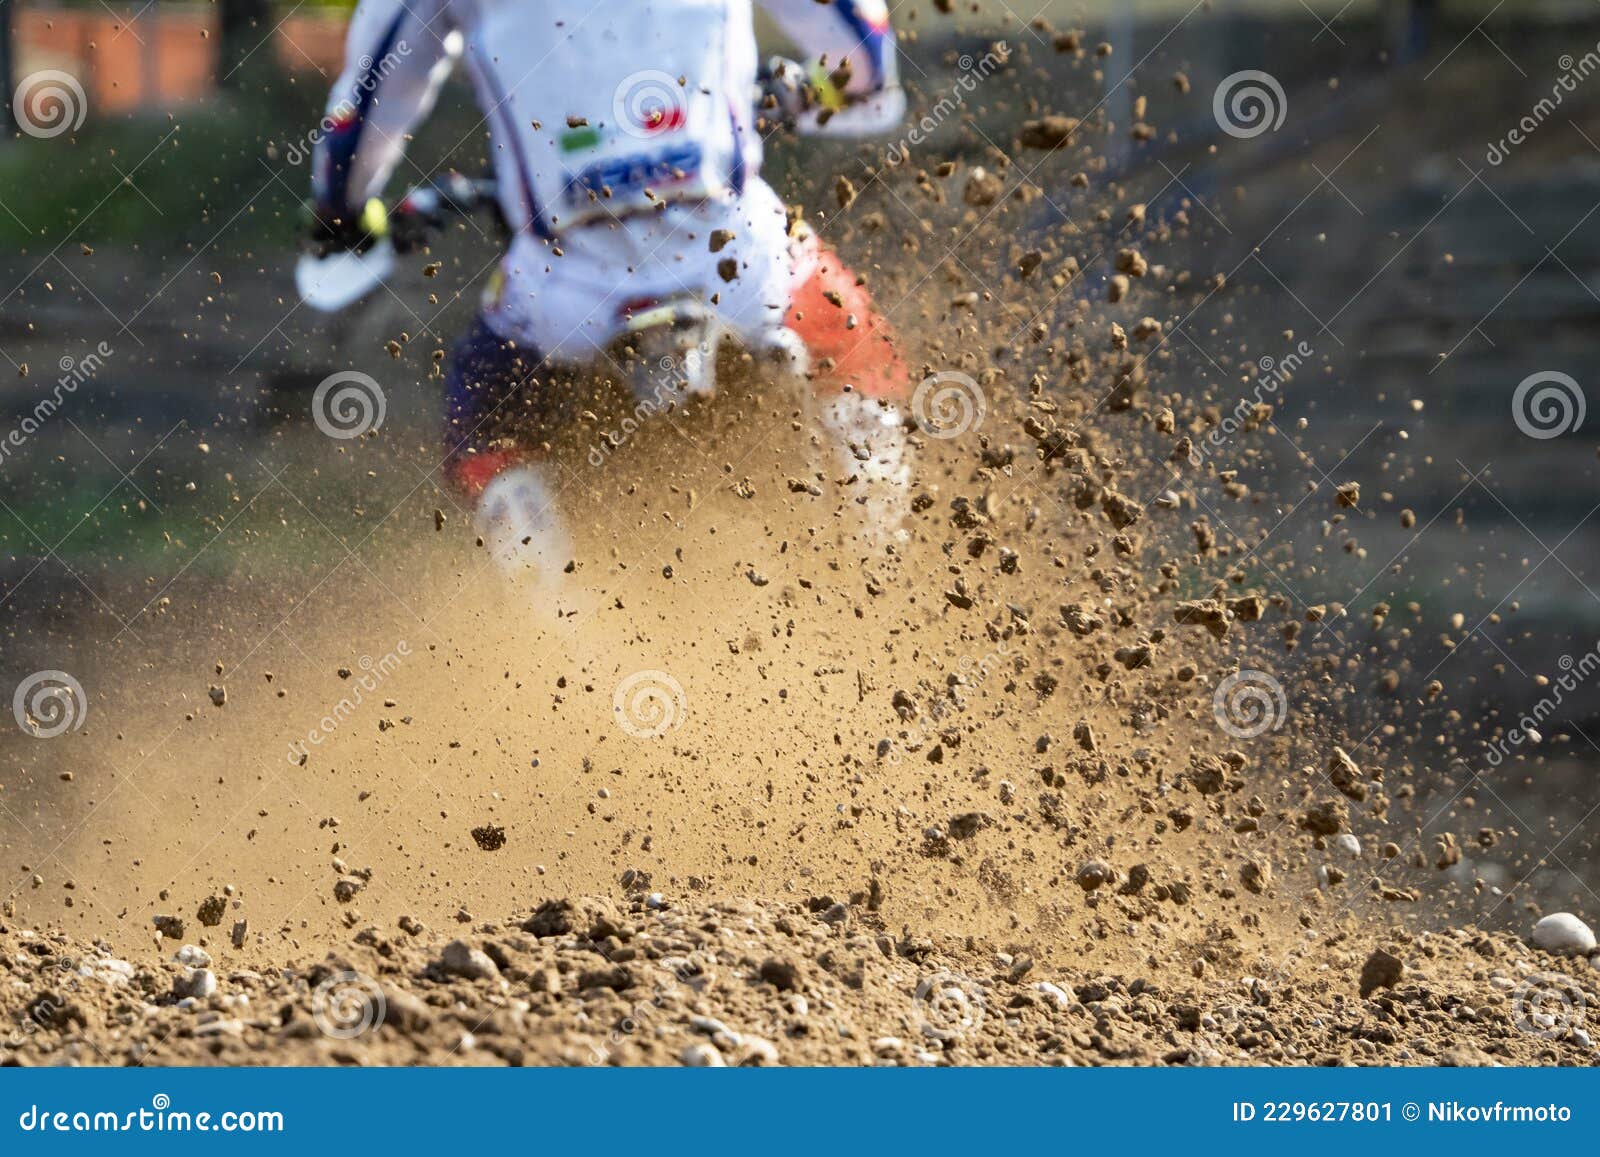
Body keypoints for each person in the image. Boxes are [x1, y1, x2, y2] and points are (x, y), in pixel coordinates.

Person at [308, 0, 912, 581]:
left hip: (566, 286)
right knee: (861, 354)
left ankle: (554, 626)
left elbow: (365, 107)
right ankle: (884, 570)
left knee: (483, 431)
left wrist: (343, 213)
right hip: (737, 259)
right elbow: (863, 52)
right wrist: (814, 93)